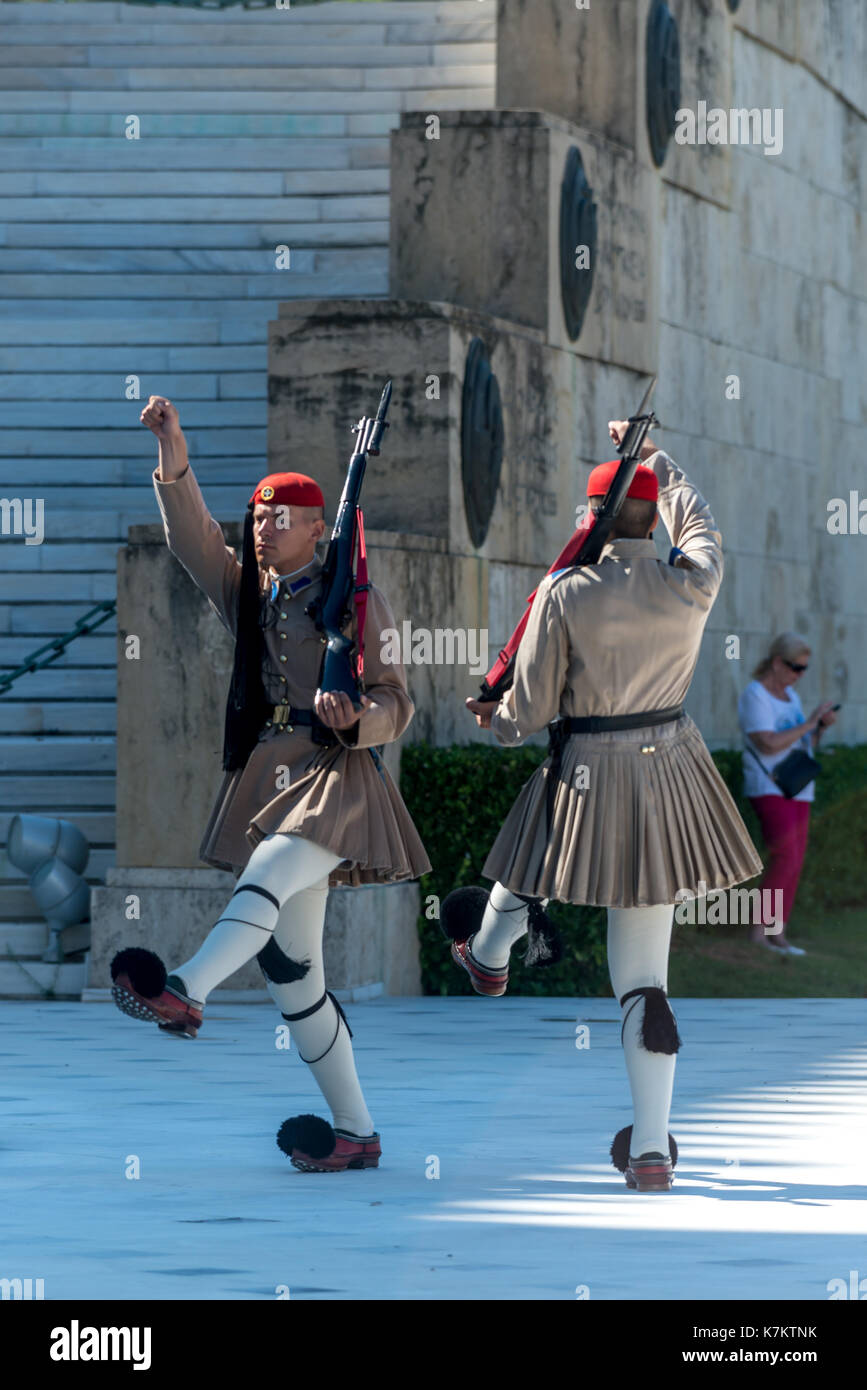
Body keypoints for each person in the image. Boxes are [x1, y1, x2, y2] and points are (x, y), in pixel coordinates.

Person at [110, 395, 430, 1173]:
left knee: (271, 868)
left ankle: (186, 989)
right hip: (270, 771)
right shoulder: (249, 592)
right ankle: (356, 1132)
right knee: (294, 976)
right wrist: (173, 454)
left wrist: (356, 714)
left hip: (336, 773)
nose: (262, 529)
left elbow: (400, 701)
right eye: (257, 518)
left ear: (318, 528)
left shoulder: (355, 601)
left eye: (279, 519)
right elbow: (191, 543)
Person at [448, 419, 763, 1192]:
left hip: (583, 763)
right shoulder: (692, 579)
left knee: (525, 864)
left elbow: (524, 714)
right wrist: (663, 461)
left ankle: (488, 959)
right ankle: (650, 1150)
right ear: (650, 520)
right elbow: (703, 524)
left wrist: (496, 720)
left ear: (587, 520)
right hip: (668, 772)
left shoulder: (566, 591)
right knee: (642, 979)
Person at [739, 633, 837, 957]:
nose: (799, 674)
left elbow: (801, 744)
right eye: (795, 667)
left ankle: (778, 933)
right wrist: (809, 723)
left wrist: (818, 728)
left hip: (797, 786)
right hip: (769, 786)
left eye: (804, 669)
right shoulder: (755, 696)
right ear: (777, 662)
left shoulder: (791, 696)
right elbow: (767, 742)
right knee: (785, 857)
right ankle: (759, 934)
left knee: (795, 861)